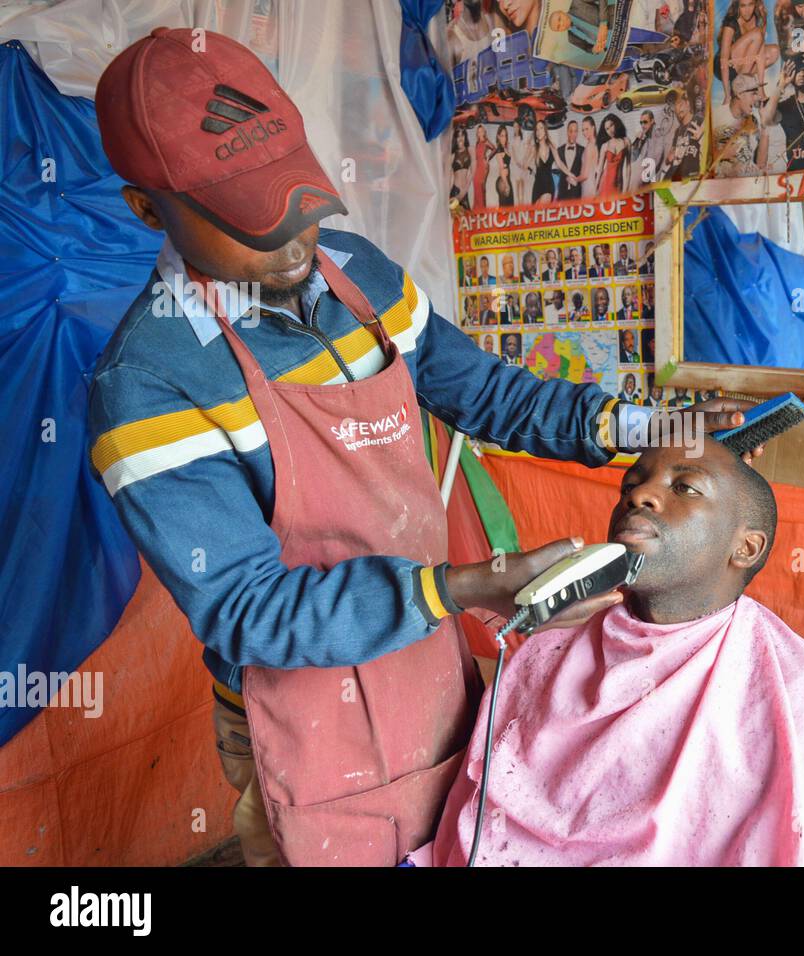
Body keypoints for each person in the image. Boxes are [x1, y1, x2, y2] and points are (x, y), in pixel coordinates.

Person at [88, 28, 755, 869]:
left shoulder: (355, 273)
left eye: (297, 204)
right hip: (307, 713)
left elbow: (488, 395)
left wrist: (654, 428)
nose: (295, 249)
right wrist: (474, 584)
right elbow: (249, 612)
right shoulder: (148, 383)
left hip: (430, 661)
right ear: (148, 209)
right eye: (251, 228)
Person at [431, 438, 804, 866]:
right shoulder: (550, 646)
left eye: (685, 488)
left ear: (745, 547)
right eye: (632, 485)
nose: (639, 496)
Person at [717, 0, 780, 111]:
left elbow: (760, 49)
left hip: (743, 62)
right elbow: (723, 60)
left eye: (750, 4)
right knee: (756, 34)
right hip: (725, 65)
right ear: (737, 6)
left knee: (774, 51)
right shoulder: (731, 22)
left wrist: (763, 18)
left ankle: (759, 90)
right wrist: (727, 95)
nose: (747, 10)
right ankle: (739, 86)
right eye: (743, 6)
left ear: (755, 4)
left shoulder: (757, 17)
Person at [713, 73, 769, 177]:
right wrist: (722, 154)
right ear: (739, 93)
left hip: (746, 187)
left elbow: (761, 165)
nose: (758, 98)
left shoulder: (754, 121)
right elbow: (699, 160)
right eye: (753, 93)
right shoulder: (716, 117)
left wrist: (764, 125)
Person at [596, 114, 631, 196]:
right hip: (605, 185)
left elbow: (628, 167)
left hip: (619, 184)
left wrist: (626, 189)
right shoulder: (605, 146)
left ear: (616, 123)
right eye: (607, 129)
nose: (610, 130)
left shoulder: (626, 142)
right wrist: (595, 190)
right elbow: (600, 169)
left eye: (611, 125)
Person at [556, 121, 585, 200]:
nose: (573, 134)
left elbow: (585, 172)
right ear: (567, 132)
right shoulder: (559, 150)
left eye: (575, 131)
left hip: (576, 193)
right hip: (562, 193)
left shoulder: (582, 150)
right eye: (571, 131)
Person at [451, 126, 473, 208]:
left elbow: (471, 172)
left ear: (465, 137)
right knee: (455, 218)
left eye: (462, 135)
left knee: (467, 218)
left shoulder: (470, 150)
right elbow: (449, 177)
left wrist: (465, 190)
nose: (460, 138)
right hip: (455, 191)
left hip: (464, 191)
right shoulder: (452, 155)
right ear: (455, 139)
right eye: (458, 136)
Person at [580, 115, 600, 197]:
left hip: (589, 186)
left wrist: (573, 179)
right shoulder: (597, 144)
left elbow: (585, 175)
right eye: (583, 130)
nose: (584, 132)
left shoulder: (590, 146)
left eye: (586, 129)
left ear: (593, 128)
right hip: (594, 185)